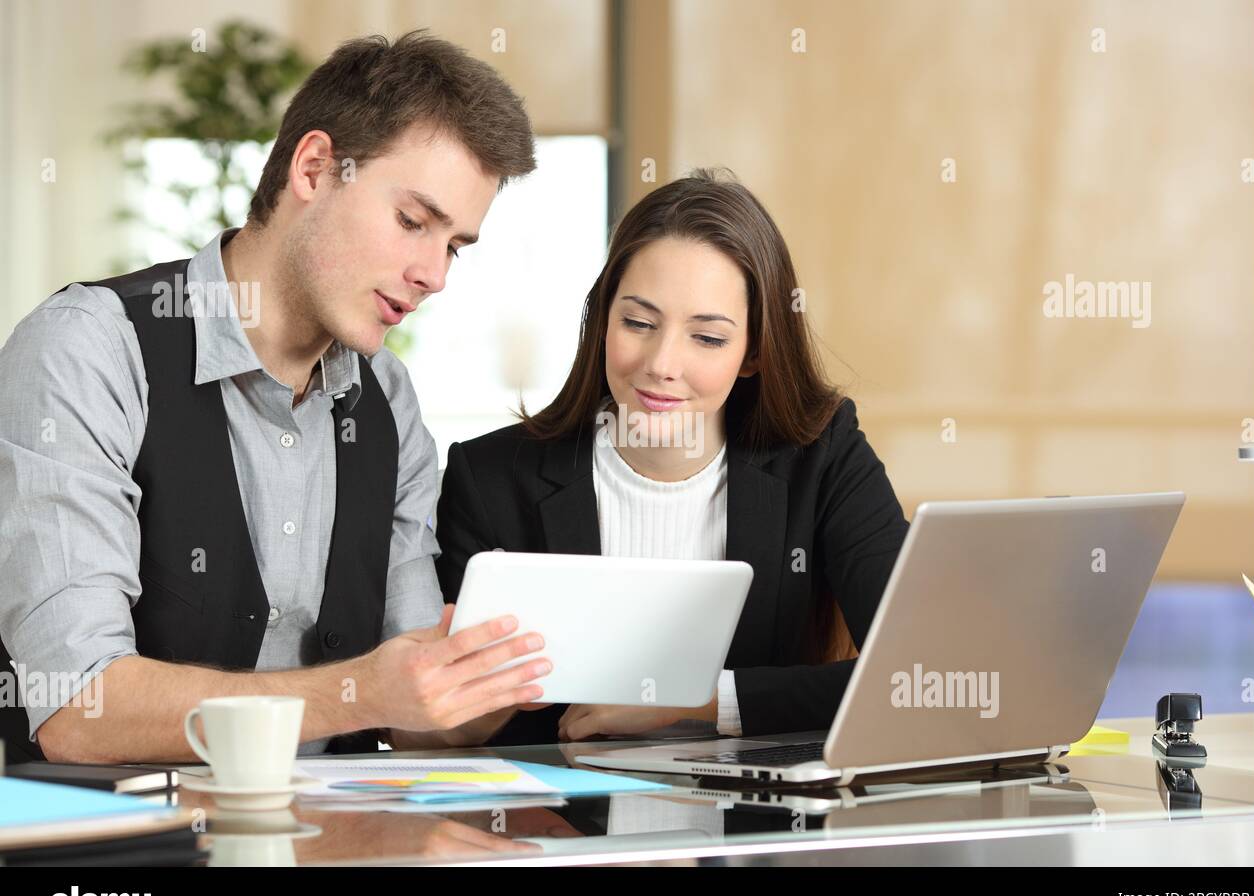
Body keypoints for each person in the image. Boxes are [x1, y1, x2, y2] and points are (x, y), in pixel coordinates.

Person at [0, 31, 552, 764]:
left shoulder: (389, 398)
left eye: (453, 245)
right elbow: (78, 707)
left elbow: (415, 719)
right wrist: (363, 691)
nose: (434, 275)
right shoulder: (89, 350)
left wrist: (489, 679)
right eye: (413, 221)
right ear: (315, 168)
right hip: (124, 851)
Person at [434, 169, 911, 745]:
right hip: (551, 830)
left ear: (754, 352)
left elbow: (917, 678)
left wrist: (702, 701)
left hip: (759, 831)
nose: (662, 363)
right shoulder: (488, 479)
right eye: (638, 322)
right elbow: (434, 727)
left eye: (707, 338)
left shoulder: (823, 456)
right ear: (602, 319)